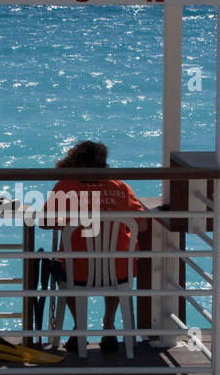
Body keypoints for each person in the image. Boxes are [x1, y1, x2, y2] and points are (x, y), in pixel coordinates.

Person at [47, 141, 146, 354]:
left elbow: (45, 222)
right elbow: (143, 223)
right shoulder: (121, 187)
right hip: (119, 271)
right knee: (114, 261)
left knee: (64, 265)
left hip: (79, 271)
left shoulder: (65, 187)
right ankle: (109, 326)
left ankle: (78, 328)